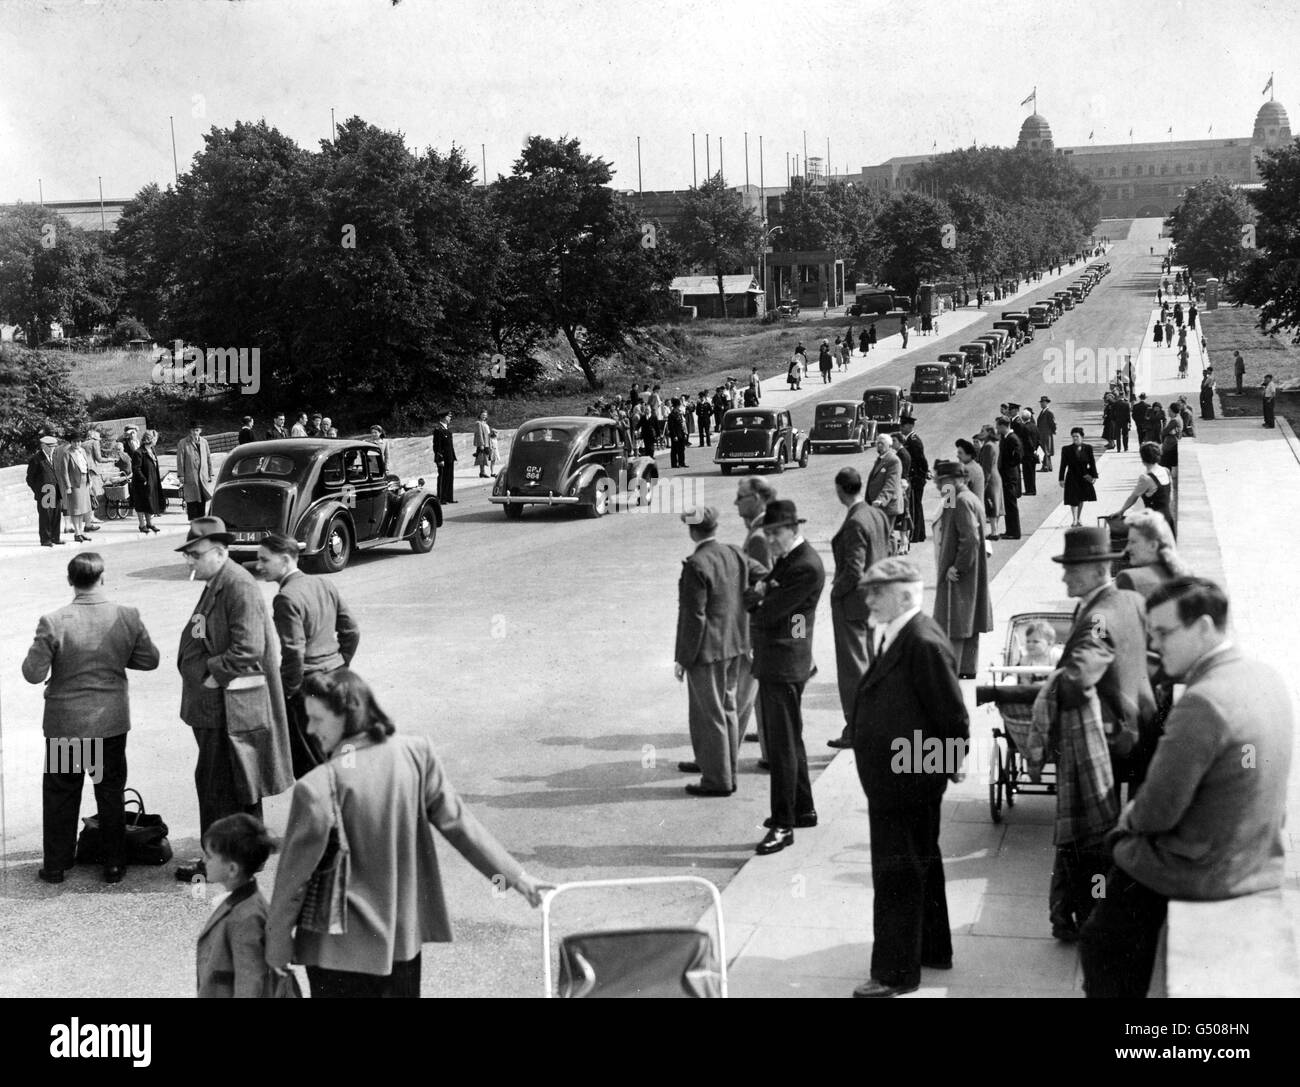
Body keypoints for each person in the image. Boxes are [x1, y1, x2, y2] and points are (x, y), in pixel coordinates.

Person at [266, 669, 548, 996]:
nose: (310, 730)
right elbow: (460, 825)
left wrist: (276, 944)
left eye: (317, 719)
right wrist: (518, 877)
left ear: (348, 714)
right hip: (402, 945)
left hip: (337, 953)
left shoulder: (318, 786)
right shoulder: (416, 755)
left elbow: (292, 878)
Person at [1080, 578, 1294, 999]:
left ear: (1203, 628)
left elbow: (1156, 811)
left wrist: (1127, 821)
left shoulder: (1202, 703)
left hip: (1203, 871)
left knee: (1101, 936)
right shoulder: (1264, 676)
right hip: (1255, 857)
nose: (1156, 646)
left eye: (1163, 633)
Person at [849, 557, 968, 997]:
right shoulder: (902, 633)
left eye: (875, 592)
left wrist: (947, 765)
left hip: (908, 778)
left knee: (896, 873)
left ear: (902, 595)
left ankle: (895, 974)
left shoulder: (920, 640)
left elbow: (952, 714)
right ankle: (933, 948)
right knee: (921, 863)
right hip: (905, 775)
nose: (868, 599)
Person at [1029, 527, 1155, 942]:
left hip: (1111, 741)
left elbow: (1079, 677)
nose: (1064, 579)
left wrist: (1054, 685)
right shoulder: (1131, 600)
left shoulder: (1098, 617)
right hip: (1141, 732)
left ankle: (1087, 916)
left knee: (1090, 843)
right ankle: (1069, 913)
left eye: (1071, 570)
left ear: (1098, 568)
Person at [22, 552, 160, 884]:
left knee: (61, 793)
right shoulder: (126, 616)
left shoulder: (54, 621)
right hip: (109, 723)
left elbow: (32, 672)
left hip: (66, 725)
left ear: (71, 581)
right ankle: (113, 864)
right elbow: (149, 660)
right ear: (103, 578)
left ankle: (56, 865)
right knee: (110, 791)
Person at [173, 517, 295, 883]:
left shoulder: (237, 586)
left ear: (220, 552)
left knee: (217, 785)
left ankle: (220, 859)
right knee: (236, 783)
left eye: (195, 554)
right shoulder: (218, 581)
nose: (189, 561)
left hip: (227, 706)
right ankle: (247, 856)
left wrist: (211, 674)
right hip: (221, 707)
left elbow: (248, 648)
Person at [747, 500, 825, 855]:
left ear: (793, 529)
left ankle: (783, 824)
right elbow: (768, 597)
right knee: (791, 739)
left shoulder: (804, 565)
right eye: (768, 534)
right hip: (783, 660)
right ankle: (803, 809)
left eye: (776, 533)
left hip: (783, 663)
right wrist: (763, 595)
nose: (771, 540)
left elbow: (768, 614)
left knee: (781, 745)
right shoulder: (793, 559)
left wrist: (757, 599)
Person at [256, 532, 361, 779]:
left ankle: (327, 814)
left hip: (308, 686)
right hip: (337, 679)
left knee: (313, 767)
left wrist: (289, 691)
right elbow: (352, 631)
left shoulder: (285, 598)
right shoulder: (323, 584)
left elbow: (294, 651)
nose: (259, 566)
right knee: (342, 757)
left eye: (264, 560)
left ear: (285, 560)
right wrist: (340, 663)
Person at [673, 507, 747, 796]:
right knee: (728, 710)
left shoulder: (697, 564)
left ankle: (717, 780)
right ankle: (728, 772)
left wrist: (683, 658)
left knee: (709, 715)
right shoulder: (734, 553)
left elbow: (694, 616)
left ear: (693, 532)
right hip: (734, 644)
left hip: (706, 651)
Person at [827, 467, 891, 750]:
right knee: (867, 664)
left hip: (852, 602)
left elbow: (853, 569)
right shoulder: (875, 514)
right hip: (874, 600)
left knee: (852, 670)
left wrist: (835, 591)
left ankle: (855, 729)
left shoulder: (854, 522)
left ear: (840, 490)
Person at [196, 813, 276, 998]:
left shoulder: (246, 917)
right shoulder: (244, 901)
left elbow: (250, 981)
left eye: (209, 856)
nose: (204, 861)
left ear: (232, 869)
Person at [931, 461, 992, 679]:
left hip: (960, 570)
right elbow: (944, 520)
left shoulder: (961, 501)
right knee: (969, 618)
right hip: (969, 569)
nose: (938, 486)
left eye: (942, 481)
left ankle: (950, 671)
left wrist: (957, 567)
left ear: (956, 480)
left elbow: (970, 539)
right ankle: (967, 667)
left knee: (955, 620)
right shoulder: (961, 497)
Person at [733, 477, 776, 761]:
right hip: (767, 628)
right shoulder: (766, 528)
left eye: (741, 496)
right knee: (760, 695)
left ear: (758, 498)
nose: (736, 502)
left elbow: (764, 585)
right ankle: (771, 752)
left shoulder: (759, 536)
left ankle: (720, 759)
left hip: (756, 627)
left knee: (739, 697)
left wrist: (751, 632)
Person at [1114, 509, 1189, 599]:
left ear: (1153, 546)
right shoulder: (1185, 575)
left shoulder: (1128, 579)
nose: (1127, 548)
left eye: (1133, 542)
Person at [1112, 443, 1174, 535]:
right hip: (1168, 518)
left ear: (1142, 458)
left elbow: (1133, 497)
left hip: (1154, 521)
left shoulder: (1145, 478)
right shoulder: (1166, 470)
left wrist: (1121, 511)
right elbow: (1170, 495)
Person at [26, 434, 64, 547]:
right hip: (45, 491)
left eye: (53, 446)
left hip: (56, 490)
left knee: (56, 514)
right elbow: (30, 479)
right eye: (49, 446)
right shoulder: (36, 459)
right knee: (46, 516)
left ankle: (55, 537)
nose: (52, 448)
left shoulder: (55, 457)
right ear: (43, 446)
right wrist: (39, 491)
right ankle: (46, 540)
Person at [1058, 427, 1098, 528]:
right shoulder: (1066, 449)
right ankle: (1074, 519)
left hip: (1084, 476)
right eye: (1073, 436)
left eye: (1077, 436)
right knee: (1073, 498)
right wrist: (1061, 479)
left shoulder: (1088, 448)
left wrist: (1094, 476)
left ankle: (1079, 518)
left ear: (1082, 437)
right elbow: (1063, 465)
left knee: (1081, 498)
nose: (1075, 438)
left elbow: (1092, 463)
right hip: (1072, 476)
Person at [176, 421, 215, 520]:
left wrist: (210, 473)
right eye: (193, 430)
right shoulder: (183, 443)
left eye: (197, 430)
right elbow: (180, 460)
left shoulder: (204, 442)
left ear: (200, 431)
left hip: (202, 474)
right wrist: (181, 475)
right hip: (190, 474)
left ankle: (201, 518)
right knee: (191, 497)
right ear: (190, 431)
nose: (195, 432)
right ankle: (193, 519)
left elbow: (208, 457)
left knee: (202, 496)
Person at [900, 415, 929, 542]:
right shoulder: (908, 440)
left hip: (915, 478)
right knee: (916, 506)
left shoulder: (914, 441)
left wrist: (920, 475)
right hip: (915, 477)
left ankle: (913, 535)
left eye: (903, 425)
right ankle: (919, 534)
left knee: (914, 507)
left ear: (910, 426)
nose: (901, 427)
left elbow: (921, 461)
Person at [129, 430, 164, 534]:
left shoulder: (152, 450)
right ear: (150, 439)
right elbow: (136, 468)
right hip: (142, 482)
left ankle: (150, 523)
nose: (156, 440)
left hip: (152, 480)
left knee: (149, 502)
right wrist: (144, 480)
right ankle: (142, 524)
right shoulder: (138, 452)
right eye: (155, 438)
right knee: (141, 503)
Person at [996, 417, 1022, 539]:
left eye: (998, 426)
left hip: (1010, 476)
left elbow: (1018, 456)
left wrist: (1009, 466)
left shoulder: (1012, 438)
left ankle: (1015, 532)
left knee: (1011, 504)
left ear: (1003, 426)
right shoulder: (1005, 438)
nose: (997, 428)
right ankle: (1009, 530)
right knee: (1008, 504)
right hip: (1006, 475)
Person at [866, 433, 903, 518]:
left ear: (889, 445)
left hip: (887, 506)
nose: (879, 445)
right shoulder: (881, 459)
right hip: (878, 506)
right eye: (878, 443)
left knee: (885, 531)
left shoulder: (893, 460)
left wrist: (881, 500)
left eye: (882, 443)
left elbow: (891, 483)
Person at [977, 427, 1004, 539]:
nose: (980, 433)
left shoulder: (988, 446)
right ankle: (995, 530)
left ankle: (994, 532)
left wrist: (984, 482)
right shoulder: (994, 444)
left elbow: (986, 467)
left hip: (990, 478)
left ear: (988, 433)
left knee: (991, 503)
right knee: (996, 503)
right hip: (996, 475)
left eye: (983, 431)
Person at [81, 429, 109, 530]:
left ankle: (87, 517)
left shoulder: (82, 444)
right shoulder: (94, 442)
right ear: (95, 436)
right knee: (93, 493)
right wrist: (110, 459)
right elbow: (99, 458)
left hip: (83, 470)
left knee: (87, 494)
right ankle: (91, 517)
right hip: (92, 470)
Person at [431, 410, 457, 504]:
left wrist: (453, 456)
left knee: (450, 477)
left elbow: (450, 445)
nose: (450, 418)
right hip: (443, 458)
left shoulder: (447, 429)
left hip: (449, 457)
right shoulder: (438, 430)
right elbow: (437, 446)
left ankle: (449, 497)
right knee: (442, 478)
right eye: (449, 416)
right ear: (444, 417)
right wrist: (440, 459)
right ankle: (441, 498)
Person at [953, 439, 984, 511]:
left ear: (969, 455)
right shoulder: (976, 466)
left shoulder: (967, 469)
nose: (957, 456)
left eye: (960, 453)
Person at [1014, 409, 1039, 496]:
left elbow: (1028, 441)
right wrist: (1036, 449)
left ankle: (1030, 490)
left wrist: (1031, 449)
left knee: (1027, 473)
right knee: (1032, 473)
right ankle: (1033, 489)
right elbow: (1038, 439)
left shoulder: (1024, 428)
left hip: (1027, 453)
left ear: (1023, 418)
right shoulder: (1034, 426)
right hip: (1034, 452)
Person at [666, 399, 689, 469]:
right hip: (675, 434)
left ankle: (682, 462)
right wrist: (674, 435)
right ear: (675, 406)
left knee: (682, 449)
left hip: (681, 433)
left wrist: (684, 433)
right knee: (674, 450)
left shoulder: (679, 414)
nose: (679, 407)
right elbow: (671, 427)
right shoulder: (671, 415)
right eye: (678, 406)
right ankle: (674, 463)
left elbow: (682, 424)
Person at [1037, 396, 1057, 472]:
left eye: (1043, 402)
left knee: (1045, 450)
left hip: (1046, 435)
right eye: (1041, 402)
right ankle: (1049, 466)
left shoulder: (1048, 413)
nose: (1041, 404)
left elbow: (1053, 423)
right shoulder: (1043, 412)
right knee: (1045, 450)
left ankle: (1045, 467)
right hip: (1043, 434)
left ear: (1047, 403)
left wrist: (1053, 431)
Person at [473, 411, 494, 478]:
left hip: (487, 442)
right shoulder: (478, 423)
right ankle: (482, 472)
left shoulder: (485, 423)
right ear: (480, 415)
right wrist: (481, 444)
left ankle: (483, 472)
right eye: (483, 415)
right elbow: (479, 434)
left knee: (485, 457)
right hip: (483, 443)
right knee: (482, 457)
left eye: (485, 415)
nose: (484, 416)